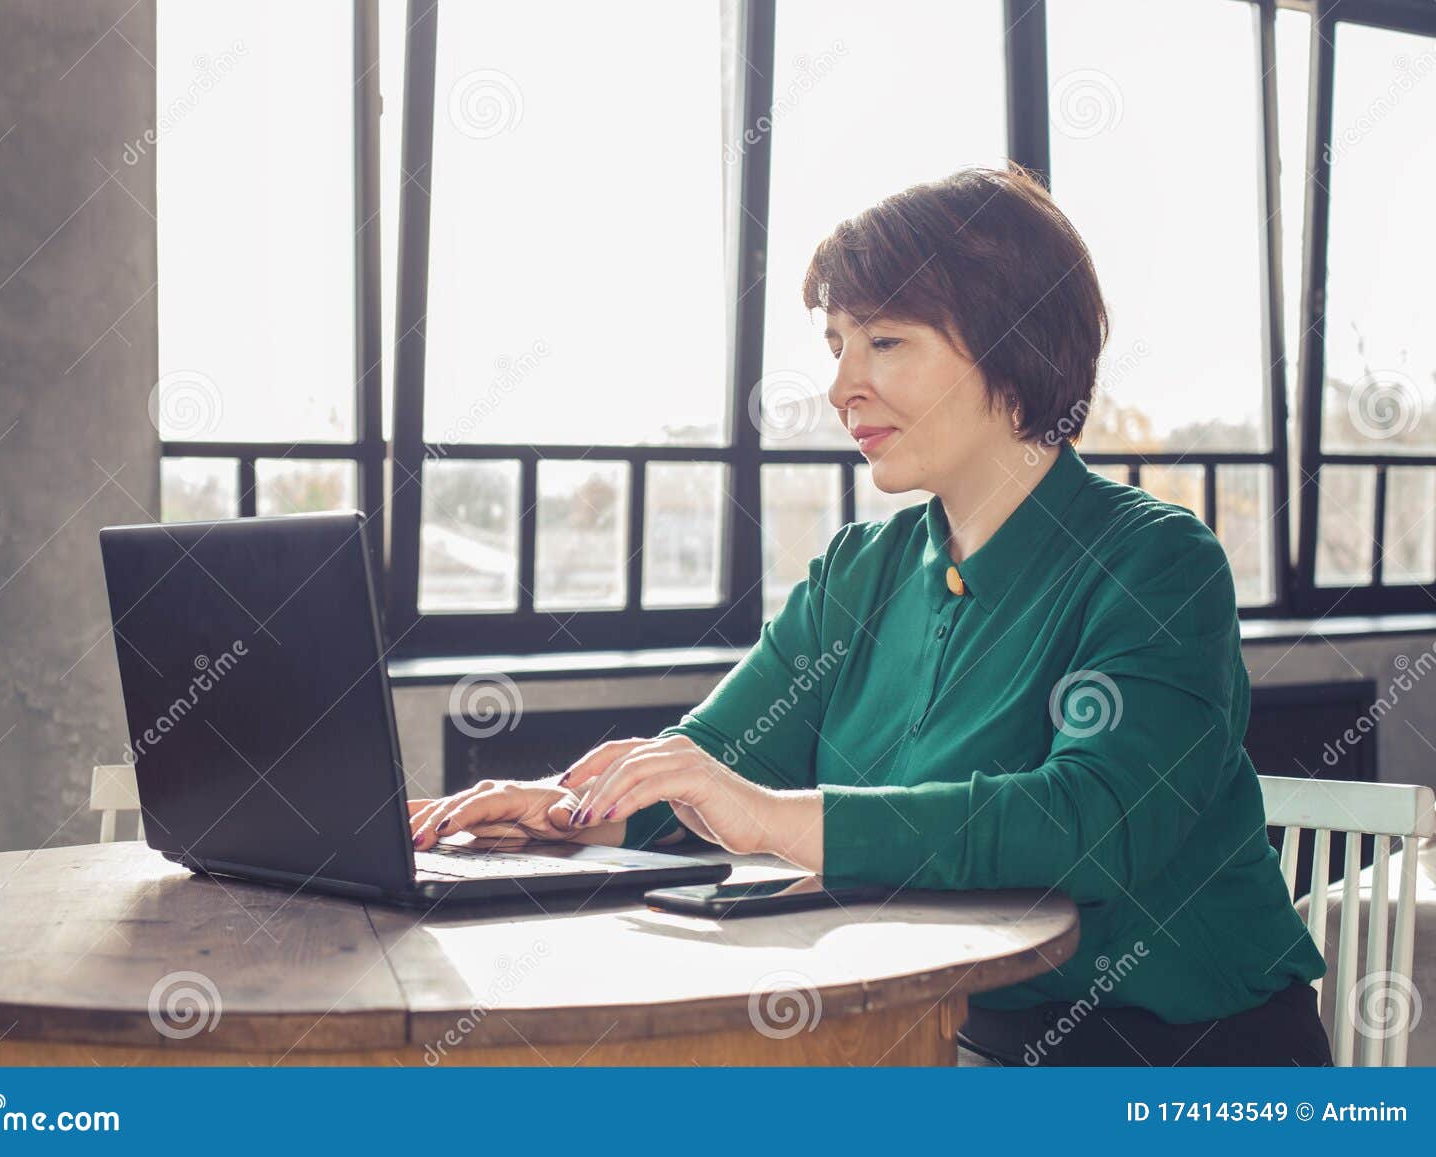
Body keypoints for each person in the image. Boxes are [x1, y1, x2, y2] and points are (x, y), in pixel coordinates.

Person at [406, 165, 1332, 1066]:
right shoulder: (863, 569)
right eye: (836, 342)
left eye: (885, 341)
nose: (843, 383)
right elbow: (721, 765)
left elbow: (1091, 826)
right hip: (956, 1047)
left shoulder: (1155, 561)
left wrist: (772, 817)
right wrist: (568, 812)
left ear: (1015, 343)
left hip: (1188, 1062)